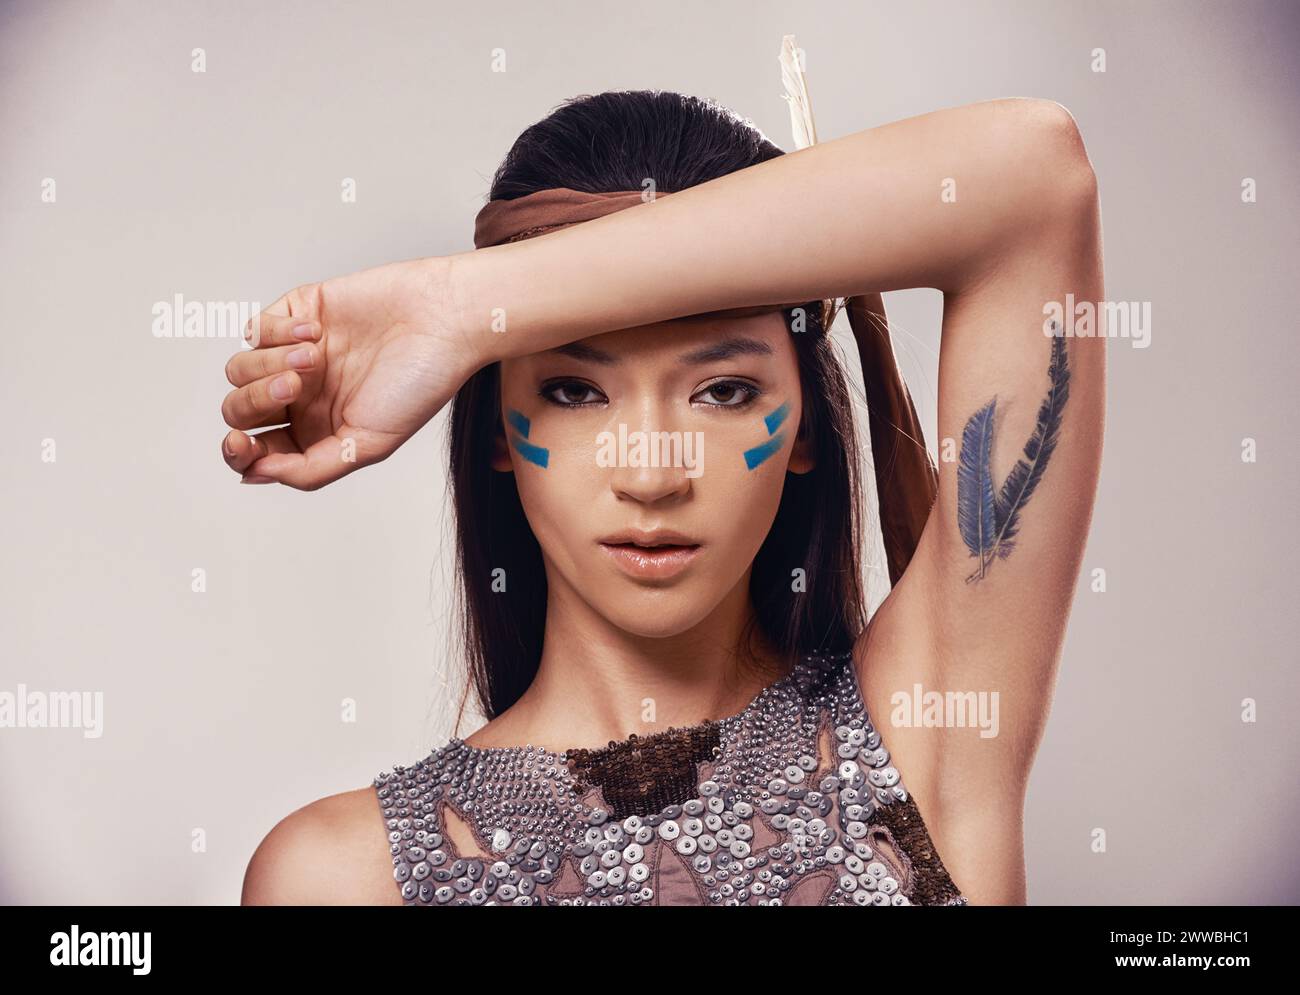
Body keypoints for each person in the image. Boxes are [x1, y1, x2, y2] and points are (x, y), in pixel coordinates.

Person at [232, 85, 1104, 906]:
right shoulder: (344, 879)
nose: (653, 473)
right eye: (575, 389)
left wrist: (463, 307)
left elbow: (1035, 181)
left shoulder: (924, 738)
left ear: (804, 426)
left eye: (723, 390)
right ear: (499, 425)